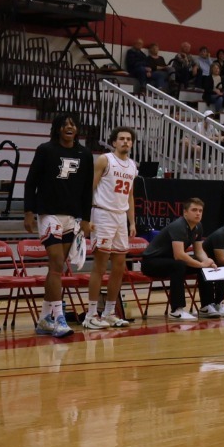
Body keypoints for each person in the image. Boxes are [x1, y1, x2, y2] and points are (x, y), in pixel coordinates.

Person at [22, 112, 93, 339]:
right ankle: (58, 316)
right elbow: (31, 181)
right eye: (65, 124)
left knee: (59, 267)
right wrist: (28, 212)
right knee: (55, 264)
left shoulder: (85, 154)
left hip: (72, 217)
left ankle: (45, 318)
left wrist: (86, 218)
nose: (69, 127)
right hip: (49, 213)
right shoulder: (46, 149)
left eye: (72, 124)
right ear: (57, 128)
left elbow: (86, 190)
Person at [83, 128, 139, 330]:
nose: (125, 142)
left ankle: (109, 312)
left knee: (119, 267)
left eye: (129, 139)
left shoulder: (132, 166)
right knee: (100, 265)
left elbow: (130, 196)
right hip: (102, 214)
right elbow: (89, 188)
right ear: (114, 142)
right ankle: (91, 314)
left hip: (120, 217)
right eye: (121, 139)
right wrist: (85, 217)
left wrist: (131, 222)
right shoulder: (104, 160)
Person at [142, 196, 212, 320]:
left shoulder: (198, 226)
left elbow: (199, 250)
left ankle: (206, 306)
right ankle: (177, 310)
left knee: (204, 268)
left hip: (170, 261)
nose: (198, 213)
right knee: (179, 265)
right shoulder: (178, 225)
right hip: (151, 262)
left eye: (200, 211)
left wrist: (206, 261)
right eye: (194, 210)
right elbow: (179, 255)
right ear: (185, 212)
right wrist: (200, 264)